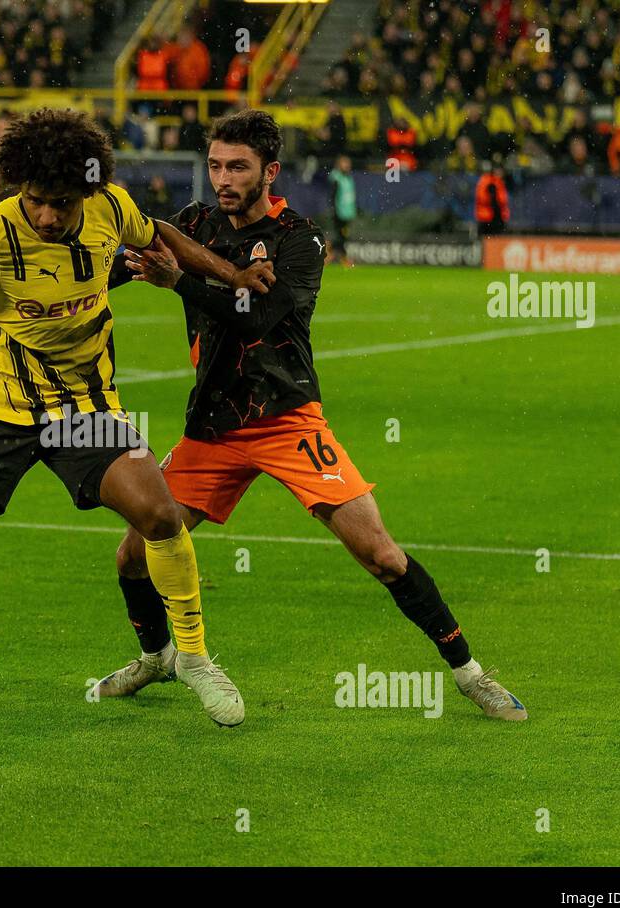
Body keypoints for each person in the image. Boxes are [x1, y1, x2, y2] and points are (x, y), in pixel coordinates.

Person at [0, 109, 276, 728]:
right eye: (37, 201)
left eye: (62, 204)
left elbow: (159, 237)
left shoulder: (111, 208)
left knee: (158, 514)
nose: (47, 215)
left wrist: (233, 274)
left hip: (85, 408)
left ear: (89, 193)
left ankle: (194, 659)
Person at [98, 110, 527, 722]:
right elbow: (116, 267)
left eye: (238, 167)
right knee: (133, 554)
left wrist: (180, 284)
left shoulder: (300, 240)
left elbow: (255, 320)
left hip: (286, 419)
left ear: (270, 171)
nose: (223, 178)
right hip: (213, 425)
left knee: (379, 553)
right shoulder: (192, 225)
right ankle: (158, 657)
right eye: (216, 164)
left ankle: (470, 675)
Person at [325, 153, 356, 265]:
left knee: (343, 236)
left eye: (348, 163)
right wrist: (334, 210)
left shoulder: (348, 178)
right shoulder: (336, 178)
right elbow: (333, 196)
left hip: (347, 212)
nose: (347, 165)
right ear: (339, 164)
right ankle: (338, 255)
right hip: (339, 212)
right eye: (344, 163)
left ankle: (330, 251)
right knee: (340, 236)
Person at [474, 161, 510, 236]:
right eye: (497, 169)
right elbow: (481, 198)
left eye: (500, 169)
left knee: (497, 240)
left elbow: (503, 201)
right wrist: (491, 198)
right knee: (485, 240)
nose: (499, 172)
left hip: (498, 217)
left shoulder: (500, 182)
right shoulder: (486, 180)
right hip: (486, 217)